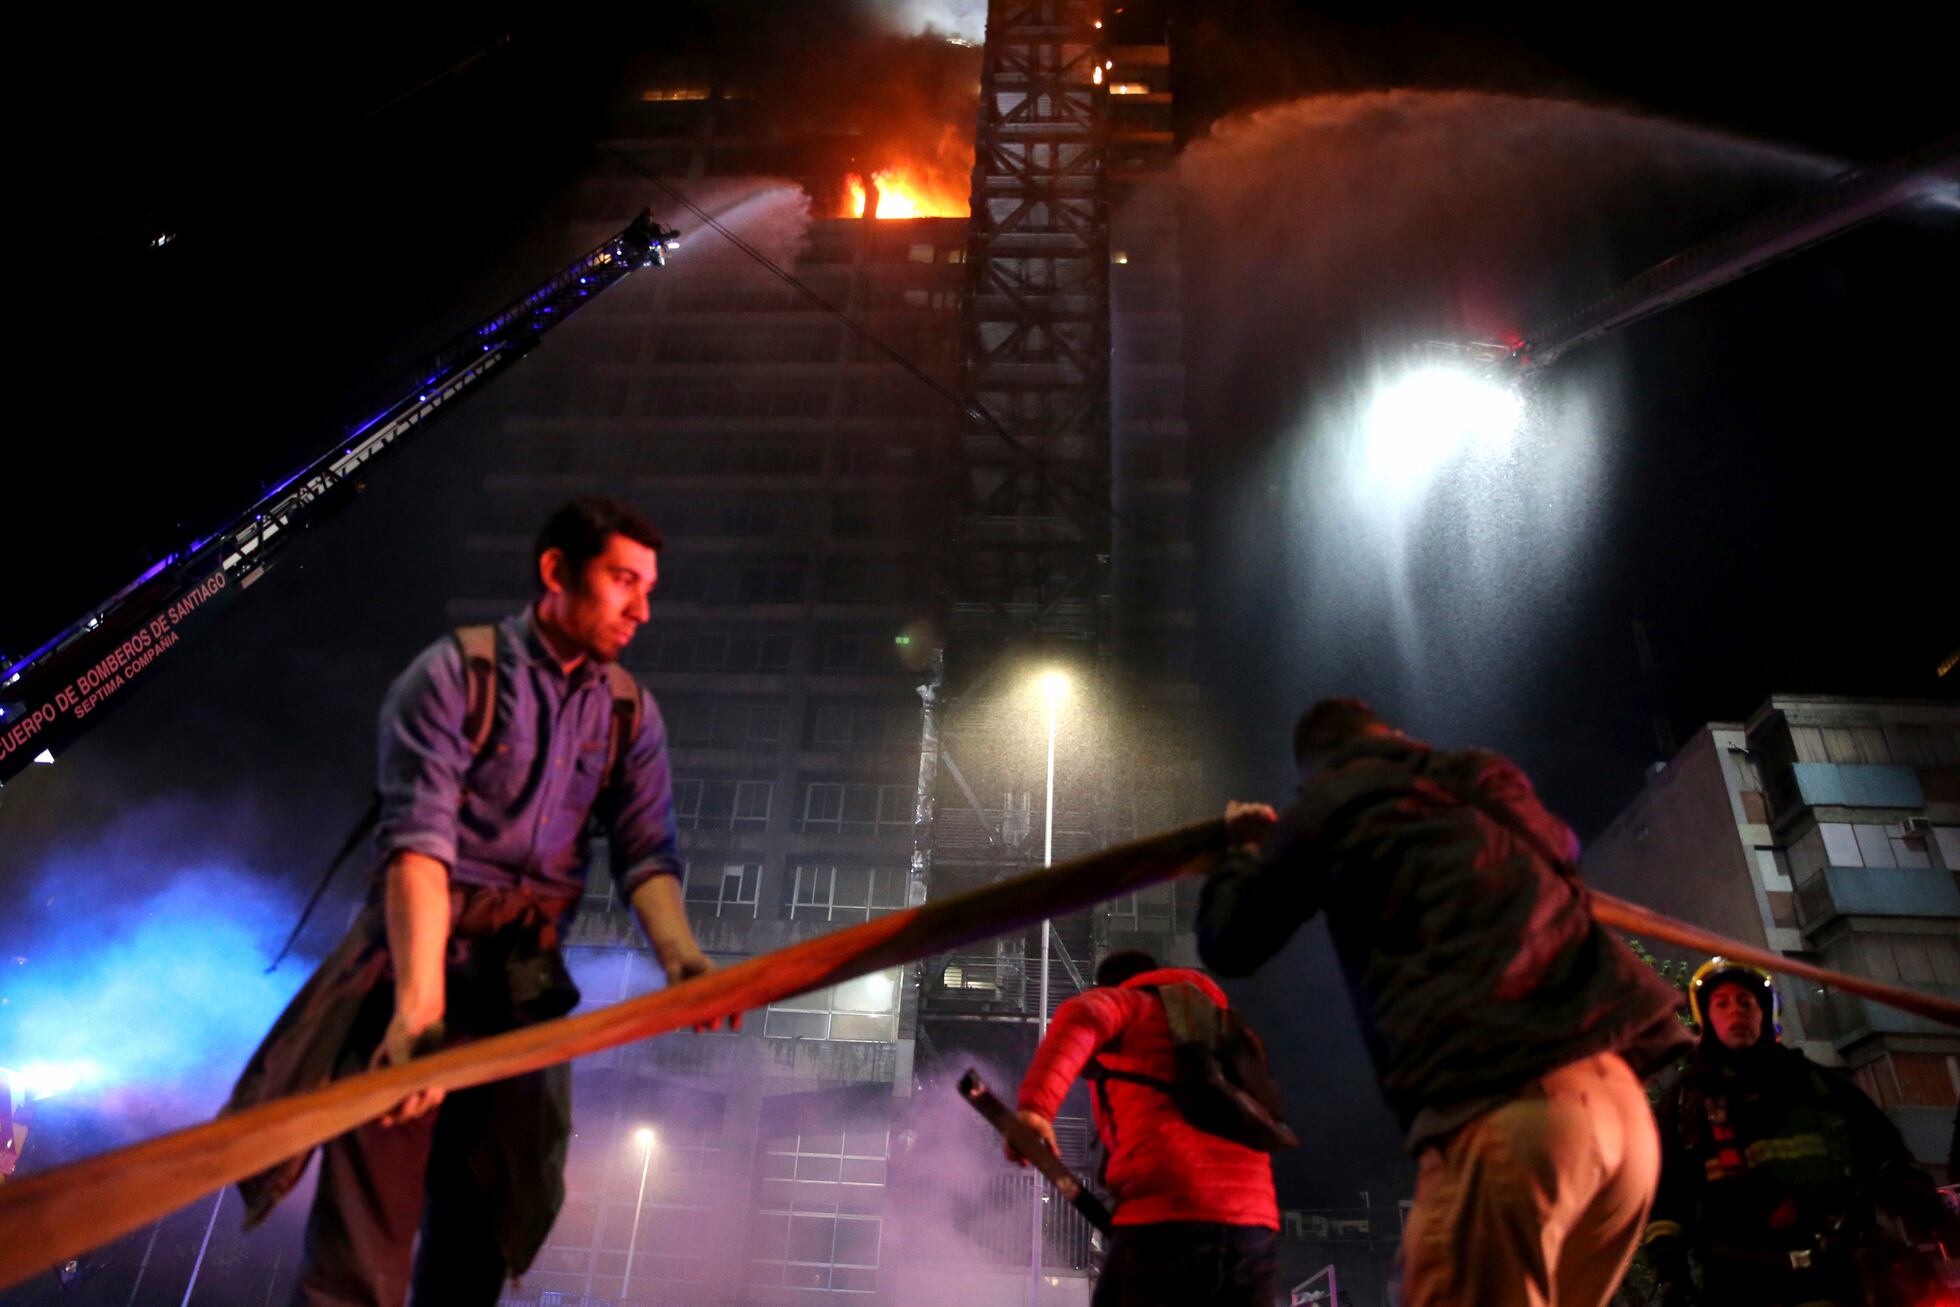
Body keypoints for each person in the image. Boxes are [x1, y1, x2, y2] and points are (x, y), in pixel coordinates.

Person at [228, 496, 727, 1307]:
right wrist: (417, 1019)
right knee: (362, 1248)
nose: (643, 607)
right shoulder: (455, 675)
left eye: (649, 585)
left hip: (521, 986)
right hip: (411, 967)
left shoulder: (629, 711)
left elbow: (647, 853)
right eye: (622, 580)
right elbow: (418, 851)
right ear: (557, 571)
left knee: (486, 1223)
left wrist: (684, 960)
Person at [1196, 697, 1692, 1307]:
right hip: (1622, 1114)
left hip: (1514, 1116)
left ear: (1313, 769)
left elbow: (1230, 939)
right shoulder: (1482, 781)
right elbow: (1562, 846)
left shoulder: (1331, 804)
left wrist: (1244, 851)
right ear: (1397, 736)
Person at [1644, 958, 1960, 1307]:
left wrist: (1933, 1218)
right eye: (1722, 1003)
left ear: (1764, 1013)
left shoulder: (1819, 1085)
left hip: (1839, 1276)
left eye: (1746, 1002)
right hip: (1740, 1285)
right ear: (1707, 1018)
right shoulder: (1684, 1102)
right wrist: (1671, 1275)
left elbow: (1886, 1158)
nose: (1736, 1011)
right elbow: (1664, 1198)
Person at [1007, 949, 1280, 1307]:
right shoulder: (1226, 1026)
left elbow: (1083, 1013)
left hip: (1167, 1211)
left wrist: (1036, 1109)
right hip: (1254, 1226)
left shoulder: (1131, 1004)